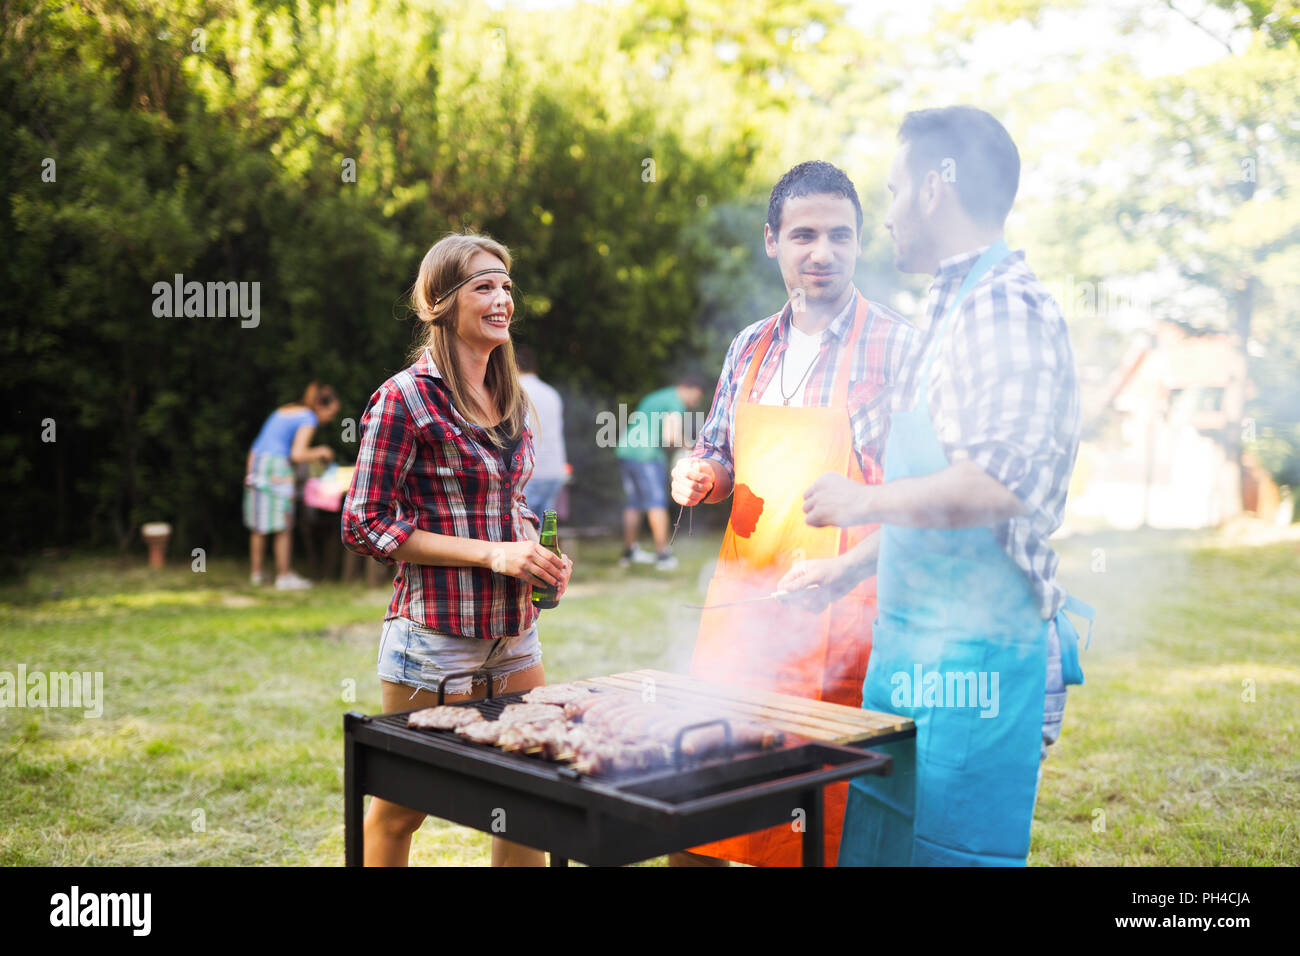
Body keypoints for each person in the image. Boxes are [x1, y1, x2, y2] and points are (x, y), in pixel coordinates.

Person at [793, 107, 1094, 866]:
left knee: (951, 853)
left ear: (934, 189)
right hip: (914, 644)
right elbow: (935, 495)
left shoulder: (1003, 305)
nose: (885, 214)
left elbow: (1002, 481)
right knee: (890, 846)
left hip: (980, 663)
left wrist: (860, 502)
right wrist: (847, 567)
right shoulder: (947, 306)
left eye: (894, 191)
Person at [668, 161, 917, 866]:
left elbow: (917, 497)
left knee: (821, 826)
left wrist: (845, 570)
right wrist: (702, 474)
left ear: (859, 244)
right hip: (741, 618)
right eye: (804, 235)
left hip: (842, 618)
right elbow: (720, 453)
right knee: (703, 809)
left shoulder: (898, 346)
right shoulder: (748, 345)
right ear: (771, 240)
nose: (823, 252)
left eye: (841, 236)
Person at [341, 232, 574, 867]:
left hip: (515, 632)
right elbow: (365, 523)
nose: (501, 299)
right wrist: (490, 554)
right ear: (443, 302)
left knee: (530, 795)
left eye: (505, 285)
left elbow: (506, 504)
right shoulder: (405, 398)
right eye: (483, 286)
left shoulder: (515, 400)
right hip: (435, 641)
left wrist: (530, 547)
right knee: (400, 807)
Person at [244, 382, 340, 589]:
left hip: (258, 463)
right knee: (284, 524)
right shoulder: (308, 417)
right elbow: (297, 454)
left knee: (259, 524)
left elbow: (259, 444)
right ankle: (284, 576)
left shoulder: (286, 410)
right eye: (330, 413)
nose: (329, 419)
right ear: (320, 406)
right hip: (278, 468)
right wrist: (322, 452)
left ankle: (257, 574)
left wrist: (250, 473)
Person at [615, 375, 705, 570]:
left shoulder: (658, 397)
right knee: (656, 502)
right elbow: (670, 436)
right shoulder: (675, 401)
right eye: (696, 396)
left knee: (634, 503)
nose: (695, 401)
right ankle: (663, 555)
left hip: (626, 450)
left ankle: (629, 553)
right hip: (646, 454)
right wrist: (689, 447)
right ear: (687, 388)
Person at [515, 346, 567, 516]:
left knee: (523, 531)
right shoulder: (551, 393)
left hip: (529, 473)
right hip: (554, 471)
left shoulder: (515, 392)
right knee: (546, 532)